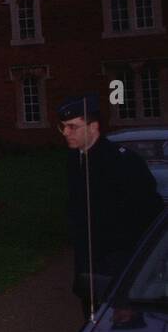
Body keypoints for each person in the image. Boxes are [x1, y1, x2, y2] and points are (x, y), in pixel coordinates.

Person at [57, 93, 163, 314]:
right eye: (63, 127)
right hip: (89, 266)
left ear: (93, 127)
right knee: (91, 326)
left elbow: (149, 214)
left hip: (119, 265)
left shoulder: (122, 162)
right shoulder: (74, 160)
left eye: (72, 126)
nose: (66, 132)